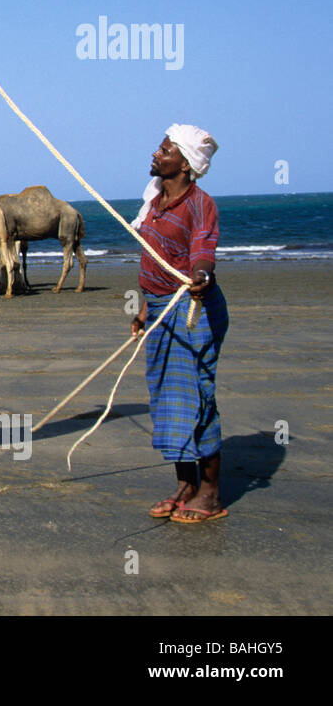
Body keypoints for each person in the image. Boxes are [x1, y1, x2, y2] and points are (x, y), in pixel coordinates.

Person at [130, 124, 228, 523]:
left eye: (166, 149)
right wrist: (141, 308)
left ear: (185, 164)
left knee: (198, 398)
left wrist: (200, 276)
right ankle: (185, 486)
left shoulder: (200, 204)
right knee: (169, 401)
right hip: (158, 310)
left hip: (193, 310)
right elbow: (150, 260)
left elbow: (203, 248)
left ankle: (210, 495)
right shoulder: (154, 199)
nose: (157, 152)